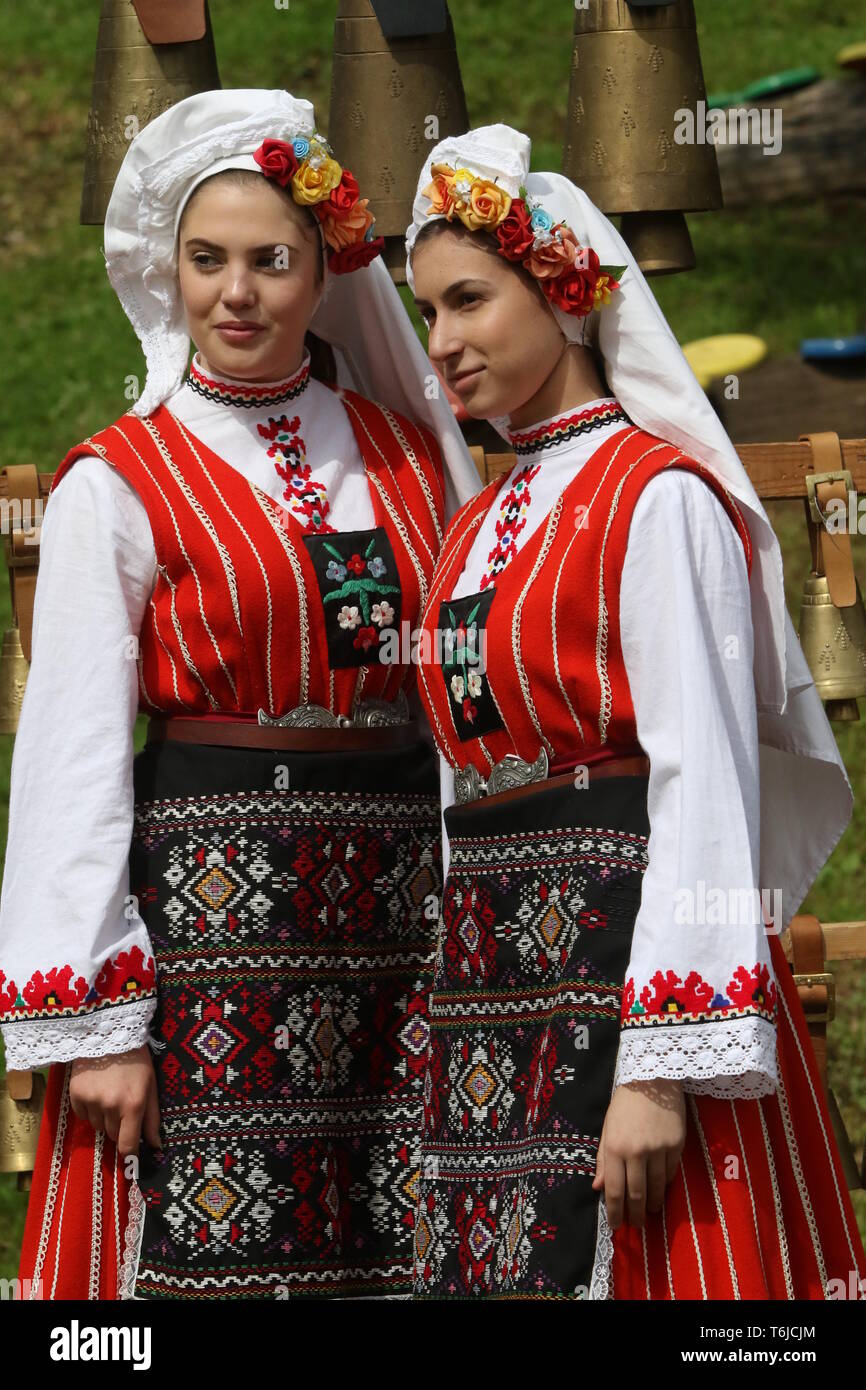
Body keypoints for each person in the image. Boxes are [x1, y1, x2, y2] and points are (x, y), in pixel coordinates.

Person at [0, 88, 480, 1301]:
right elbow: (70, 752)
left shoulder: (409, 449)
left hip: (401, 921)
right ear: (171, 275)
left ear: (322, 269)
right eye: (207, 261)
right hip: (212, 922)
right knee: (206, 1256)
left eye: (270, 260)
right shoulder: (118, 479)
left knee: (403, 1240)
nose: (238, 292)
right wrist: (99, 1013)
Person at [403, 122, 866, 1299]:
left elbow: (701, 776)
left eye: (467, 300)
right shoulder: (478, 524)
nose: (442, 343)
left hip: (629, 968)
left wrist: (659, 1068)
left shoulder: (656, 500)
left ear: (558, 293)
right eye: (426, 315)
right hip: (502, 986)